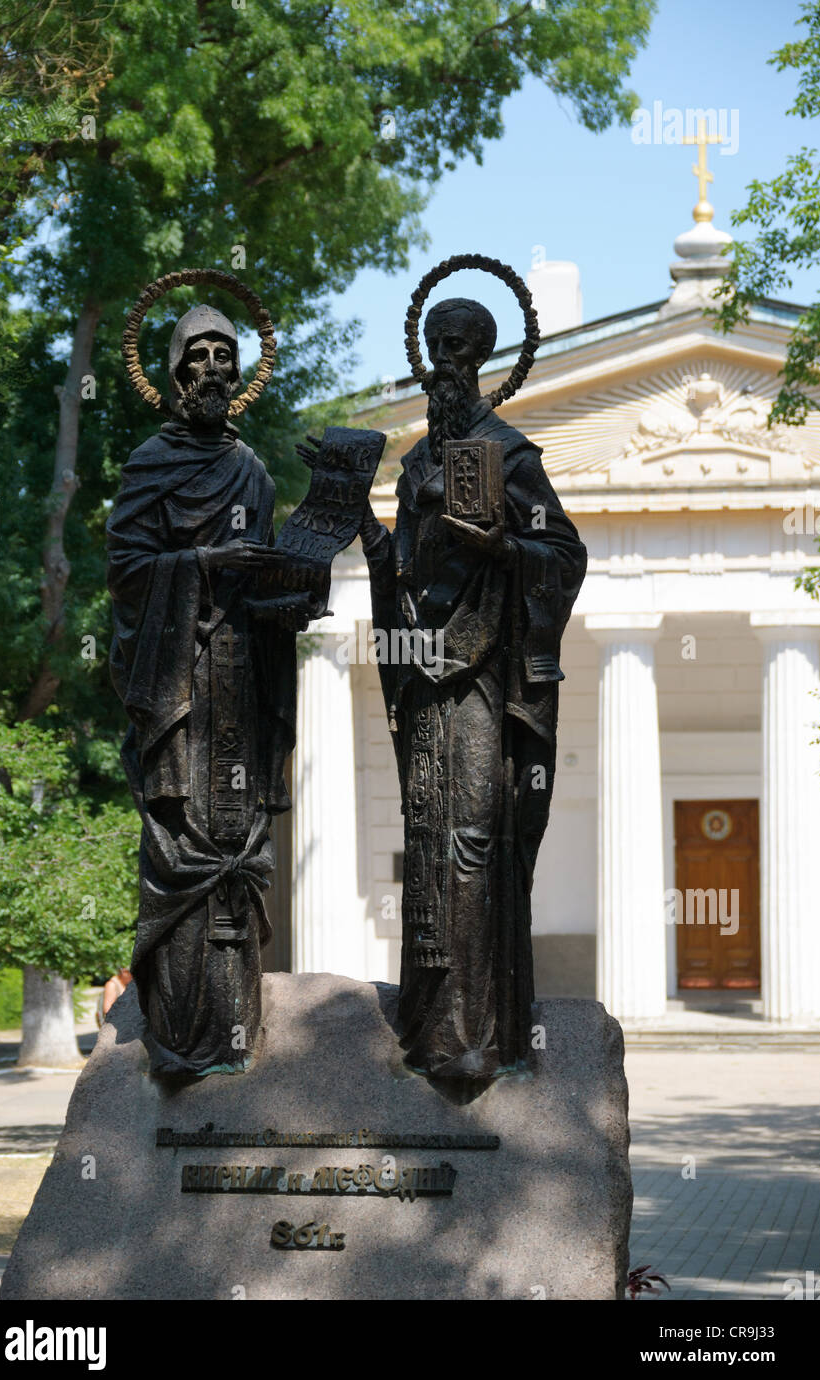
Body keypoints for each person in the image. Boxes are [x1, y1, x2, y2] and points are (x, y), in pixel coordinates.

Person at [360, 296, 587, 1082]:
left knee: (475, 836)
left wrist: (504, 546)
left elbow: (562, 552)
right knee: (427, 837)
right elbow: (404, 574)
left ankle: (479, 1030)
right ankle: (428, 1029)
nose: (445, 363)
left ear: (484, 359)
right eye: (435, 347)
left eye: (459, 348)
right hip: (423, 670)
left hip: (484, 670)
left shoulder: (510, 454)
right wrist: (358, 525)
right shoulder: (420, 460)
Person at [107, 304, 314, 1074]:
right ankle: (178, 1037)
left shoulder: (253, 471)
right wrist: (200, 567)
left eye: (227, 356)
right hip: (181, 687)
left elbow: (259, 573)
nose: (214, 370)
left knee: (238, 842)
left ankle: (236, 1030)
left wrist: (289, 598)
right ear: (173, 371)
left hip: (244, 685)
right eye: (199, 356)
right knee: (184, 839)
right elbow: (127, 572)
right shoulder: (150, 463)